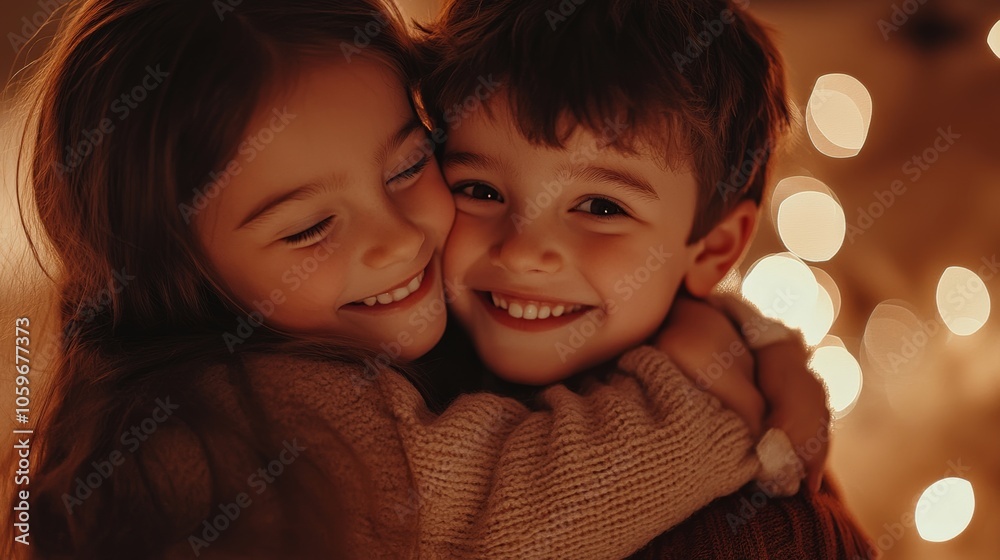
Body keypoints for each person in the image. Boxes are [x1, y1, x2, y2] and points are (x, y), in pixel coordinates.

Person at [6, 0, 810, 558]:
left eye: (408, 166)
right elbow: (523, 510)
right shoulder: (243, 426)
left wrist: (727, 322)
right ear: (176, 273)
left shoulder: (351, 338)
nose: (396, 240)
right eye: (310, 227)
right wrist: (712, 381)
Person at [419, 0, 829, 491]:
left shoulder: (756, 432)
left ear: (714, 249)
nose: (521, 252)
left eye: (601, 208)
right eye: (480, 191)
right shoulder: (383, 367)